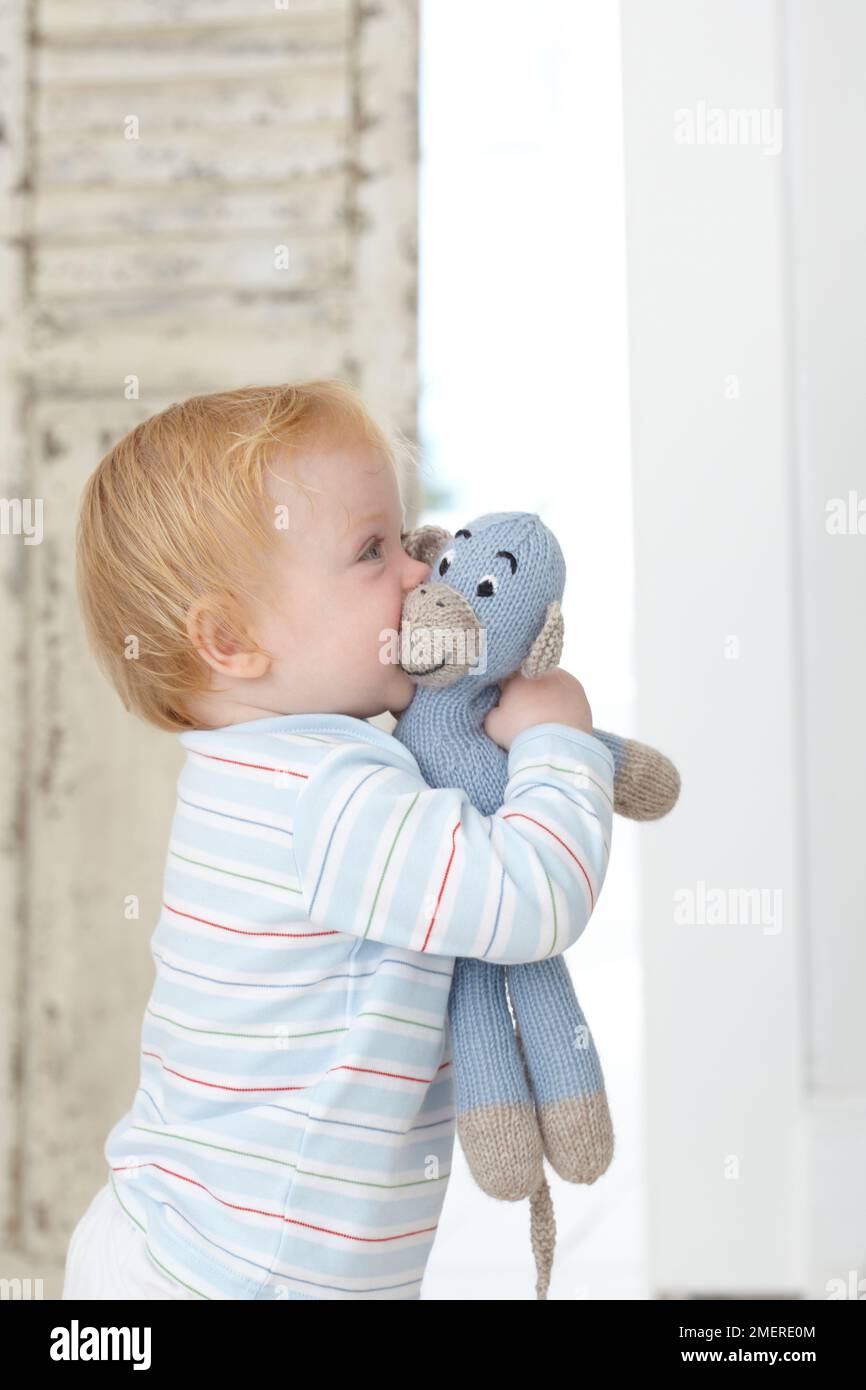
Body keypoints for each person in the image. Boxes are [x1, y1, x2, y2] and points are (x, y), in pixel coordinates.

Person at [63, 380, 614, 1299]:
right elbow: (529, 900)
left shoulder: (269, 768)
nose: (418, 576)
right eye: (371, 551)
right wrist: (560, 739)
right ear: (232, 640)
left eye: (405, 540)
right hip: (231, 1276)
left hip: (191, 1247)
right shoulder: (327, 793)